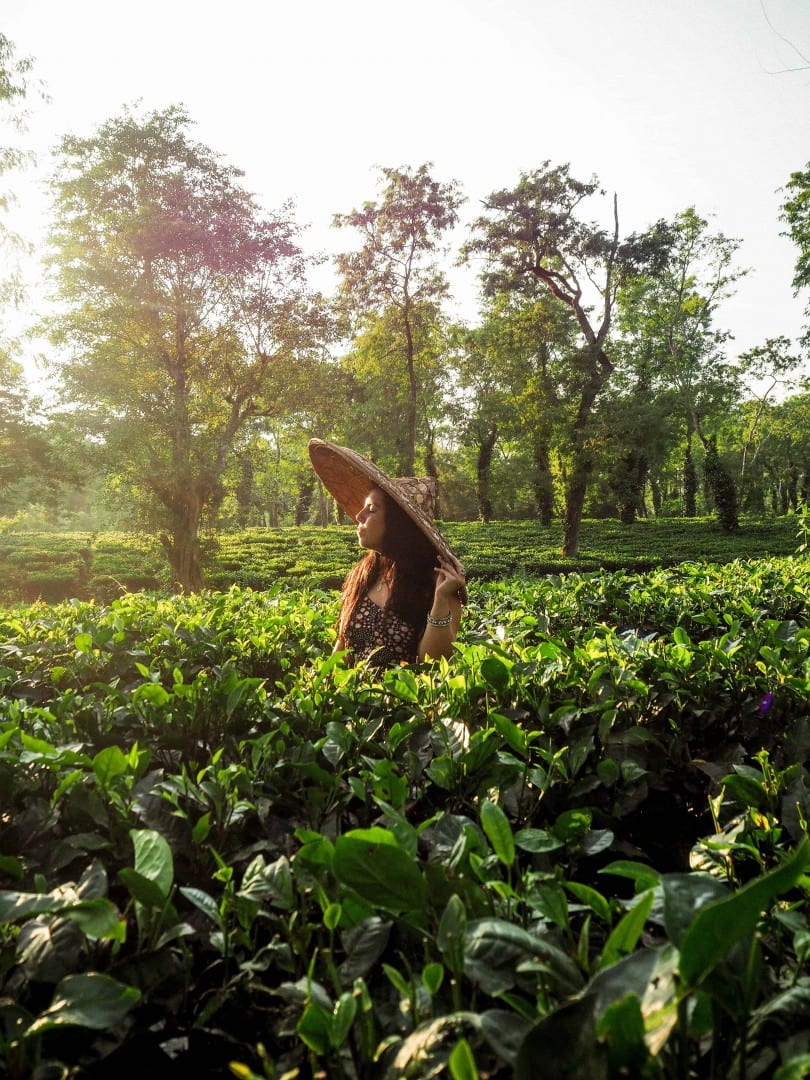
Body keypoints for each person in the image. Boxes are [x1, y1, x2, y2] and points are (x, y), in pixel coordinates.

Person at [308, 439, 468, 668]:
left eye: (372, 509)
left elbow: (434, 664)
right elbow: (342, 651)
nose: (359, 516)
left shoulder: (439, 582)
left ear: (397, 524)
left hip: (405, 701)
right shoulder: (363, 574)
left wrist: (440, 600)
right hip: (355, 701)